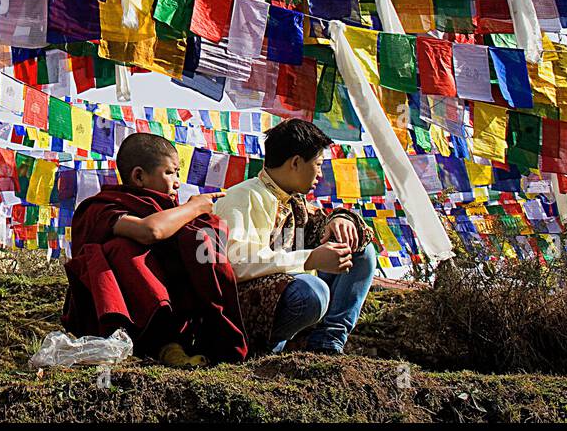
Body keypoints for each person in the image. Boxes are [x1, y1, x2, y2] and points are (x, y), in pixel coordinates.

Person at [63, 132, 249, 366]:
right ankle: (158, 343)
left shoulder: (168, 212)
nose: (178, 182)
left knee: (195, 240)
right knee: (122, 248)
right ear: (139, 176)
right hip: (117, 316)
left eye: (178, 173)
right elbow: (150, 231)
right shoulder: (103, 207)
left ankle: (189, 340)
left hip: (177, 314)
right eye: (170, 172)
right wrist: (194, 207)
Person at [212, 119, 378, 356]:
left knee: (360, 250)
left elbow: (324, 226)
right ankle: (266, 349)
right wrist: (309, 259)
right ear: (296, 163)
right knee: (311, 291)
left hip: (287, 293)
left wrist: (343, 220)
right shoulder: (241, 196)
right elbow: (236, 263)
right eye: (318, 164)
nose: (320, 173)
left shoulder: (296, 204)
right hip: (242, 305)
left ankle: (327, 341)